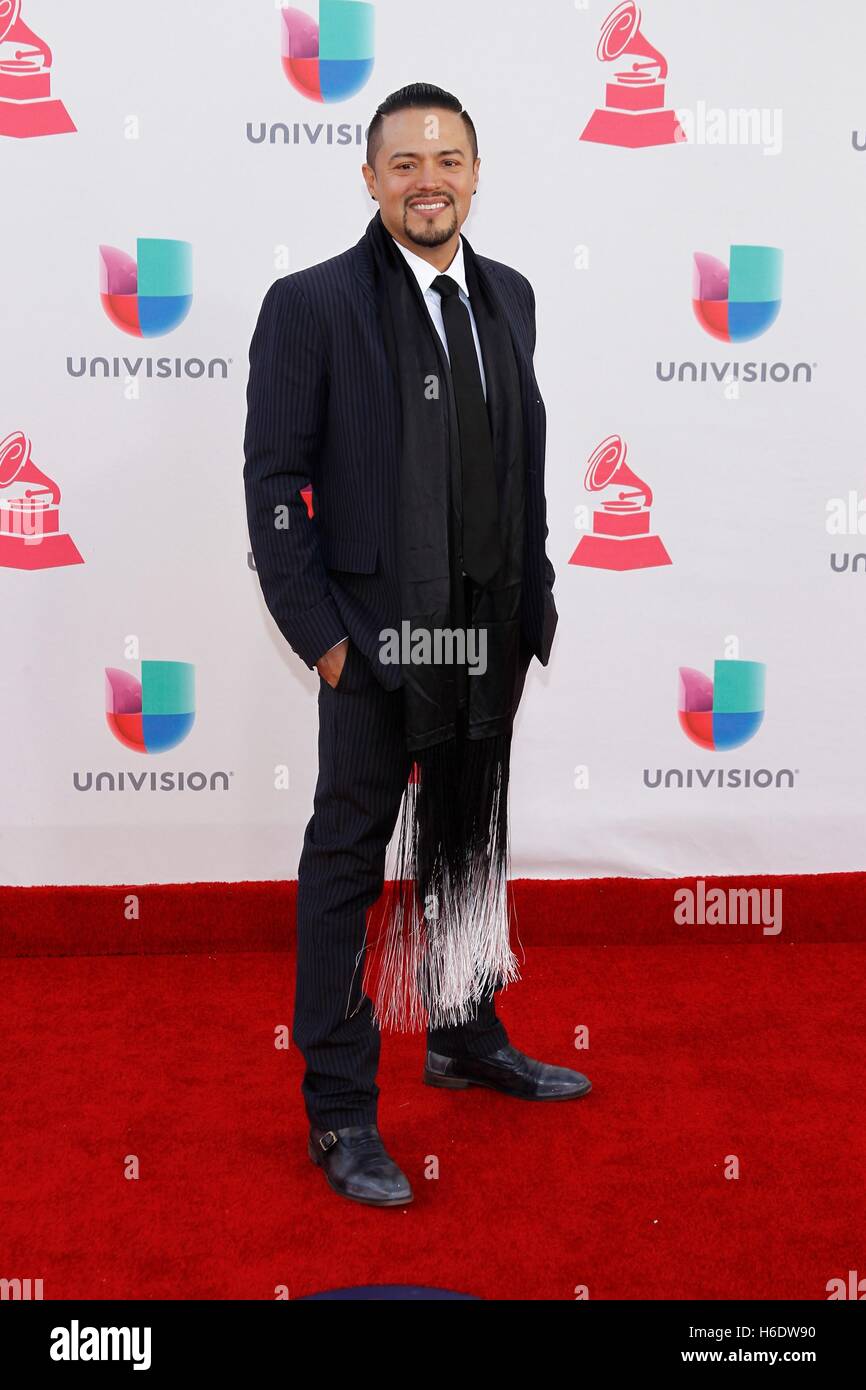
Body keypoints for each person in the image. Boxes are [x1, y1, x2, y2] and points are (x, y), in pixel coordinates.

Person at [243, 83, 590, 1210]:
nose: (426, 178)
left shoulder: (512, 298)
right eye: (402, 162)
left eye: (446, 158)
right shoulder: (311, 304)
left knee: (465, 840)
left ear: (476, 173)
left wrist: (529, 597)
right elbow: (275, 487)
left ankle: (463, 1030)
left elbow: (518, 462)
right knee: (349, 859)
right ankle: (340, 1106)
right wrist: (324, 643)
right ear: (369, 177)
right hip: (370, 642)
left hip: (484, 633)